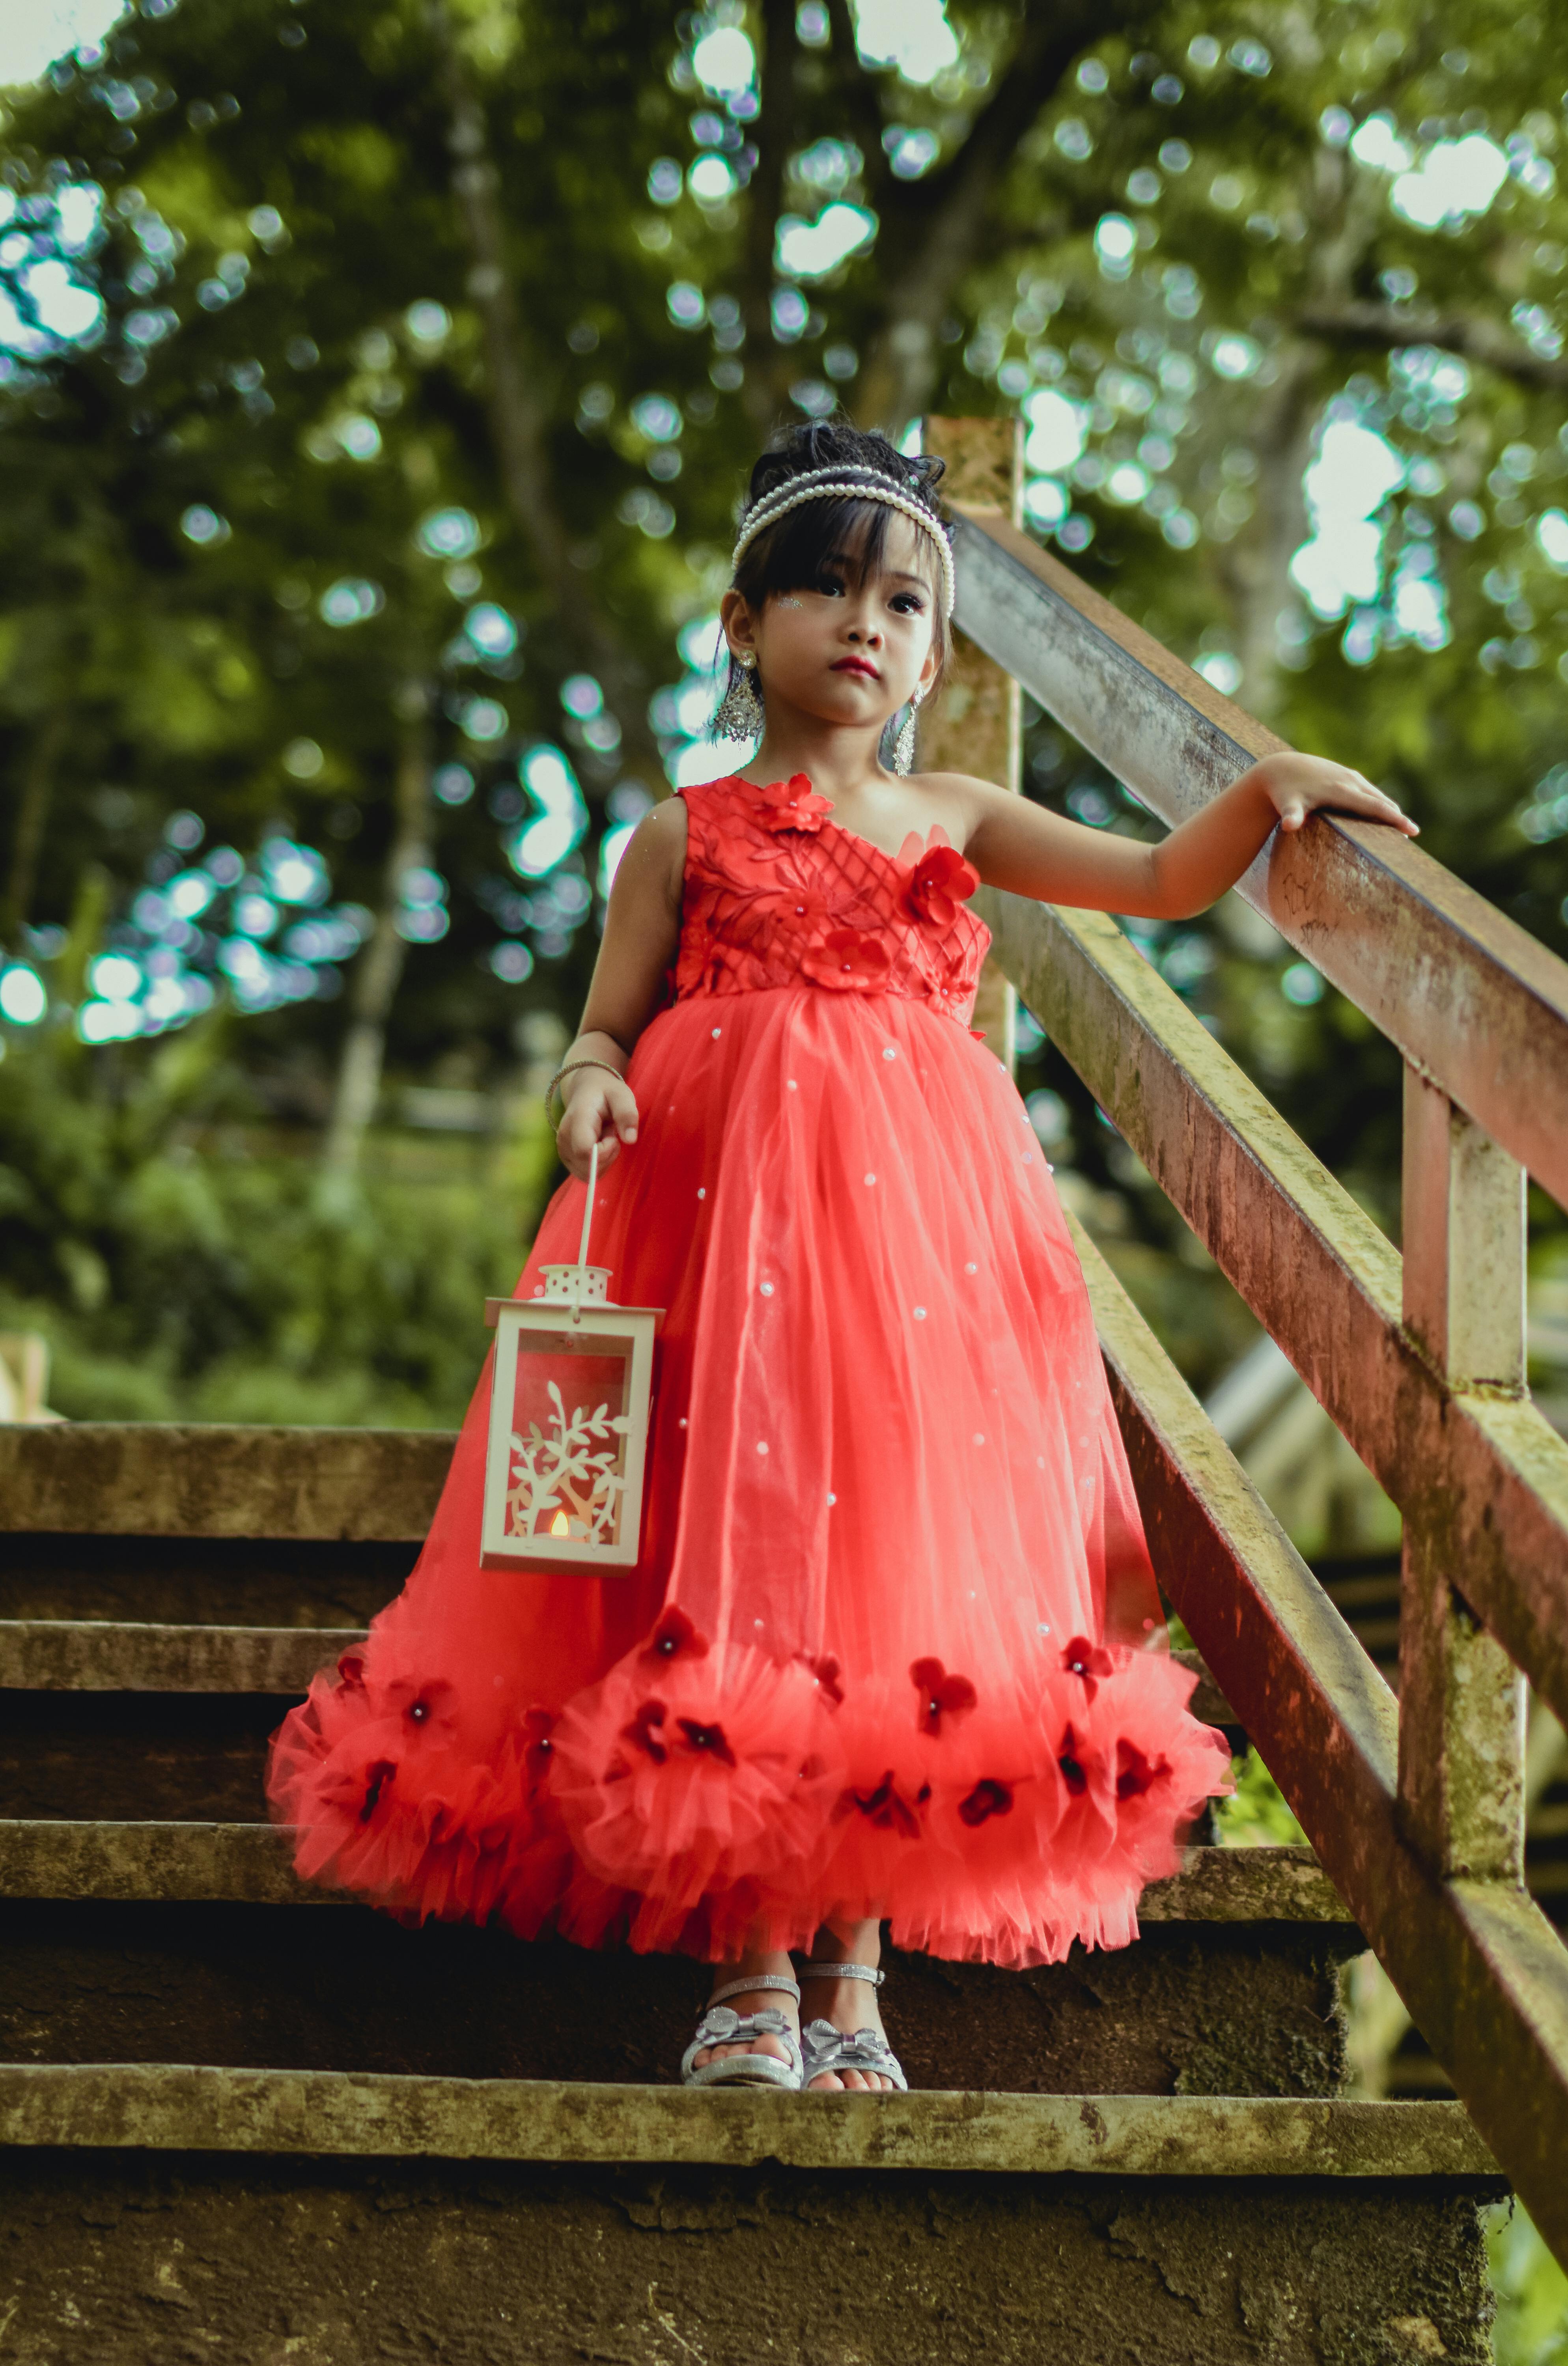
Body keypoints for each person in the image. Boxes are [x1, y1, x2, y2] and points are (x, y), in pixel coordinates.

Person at [267, 419, 1417, 2097]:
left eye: (897, 603)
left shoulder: (953, 811)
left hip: (910, 1269)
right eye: (819, 589)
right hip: (722, 1251)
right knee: (733, 1576)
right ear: (740, 626)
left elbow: (1163, 881)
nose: (859, 624)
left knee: (889, 1588)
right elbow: (602, 1025)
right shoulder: (683, 830)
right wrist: (590, 1085)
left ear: (935, 654)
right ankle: (746, 1975)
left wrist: (1263, 791)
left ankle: (856, 1986)